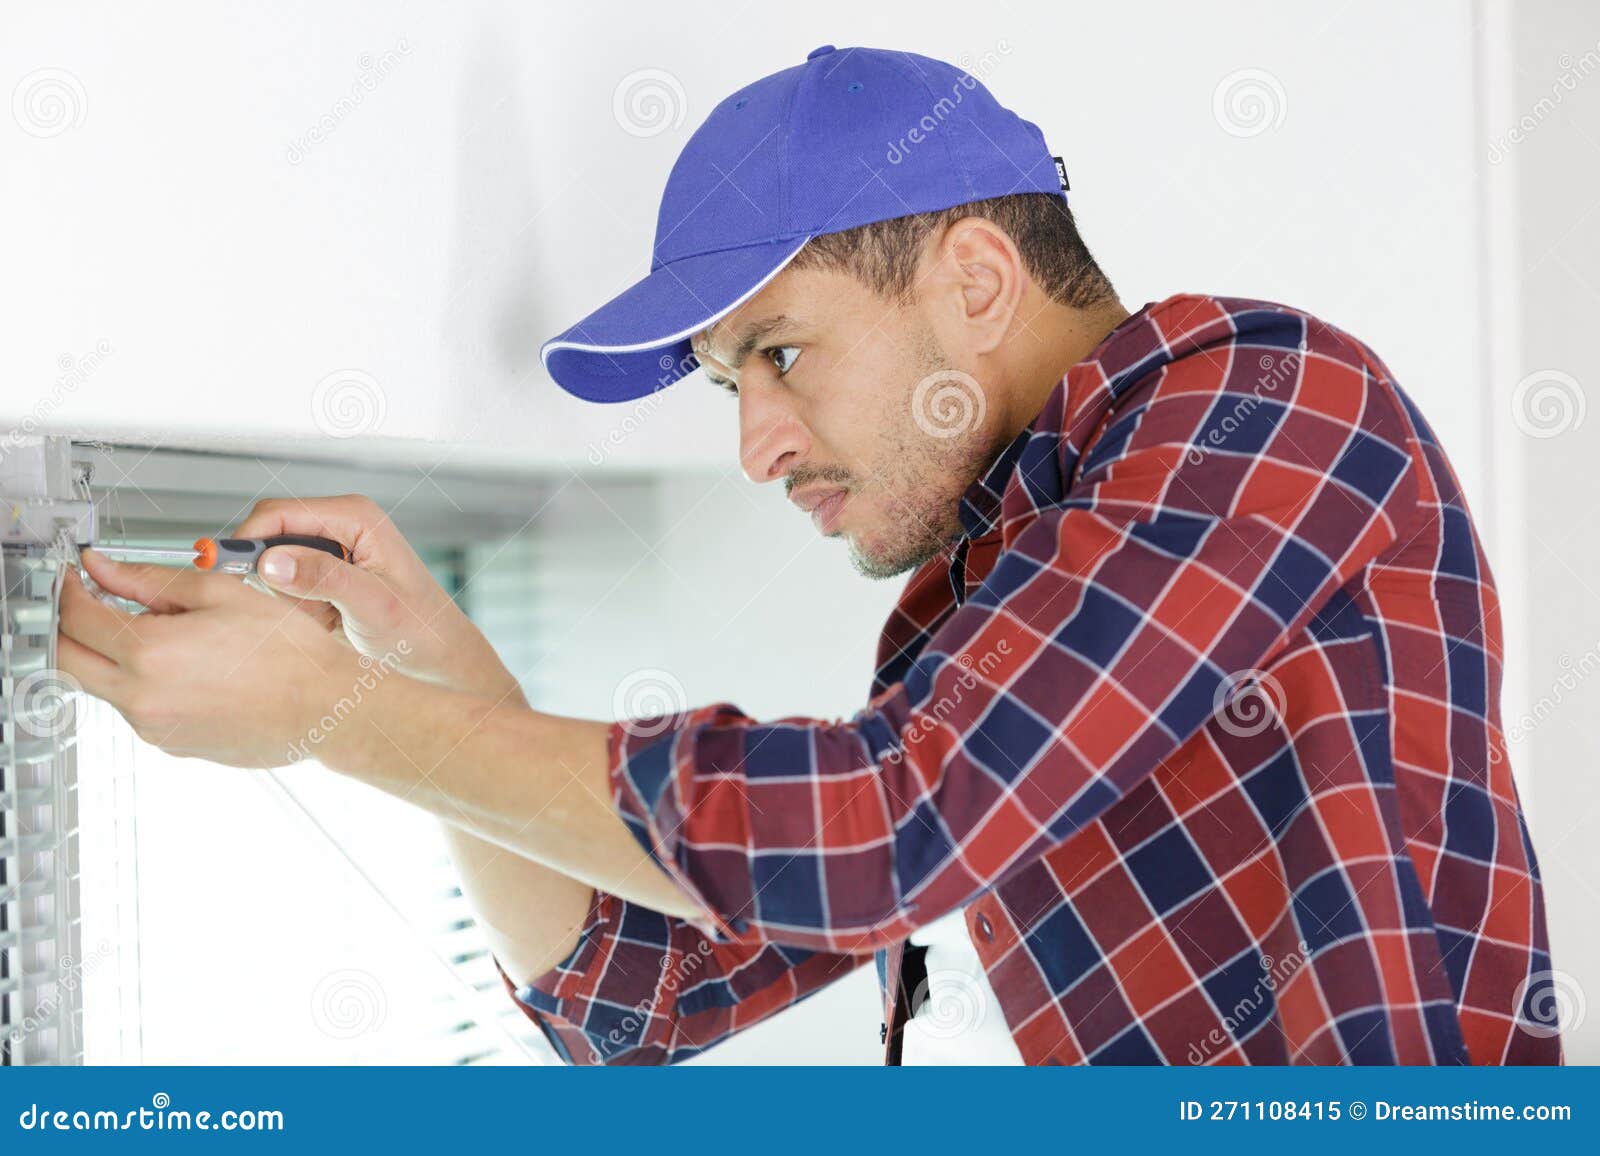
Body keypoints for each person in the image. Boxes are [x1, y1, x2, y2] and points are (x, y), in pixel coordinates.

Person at [58, 46, 1560, 1065]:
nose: (757, 445)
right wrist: (429, 665)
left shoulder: (1269, 406)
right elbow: (641, 1003)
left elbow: (886, 827)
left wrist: (336, 714)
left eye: (779, 354)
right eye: (730, 385)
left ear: (978, 279)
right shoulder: (987, 600)